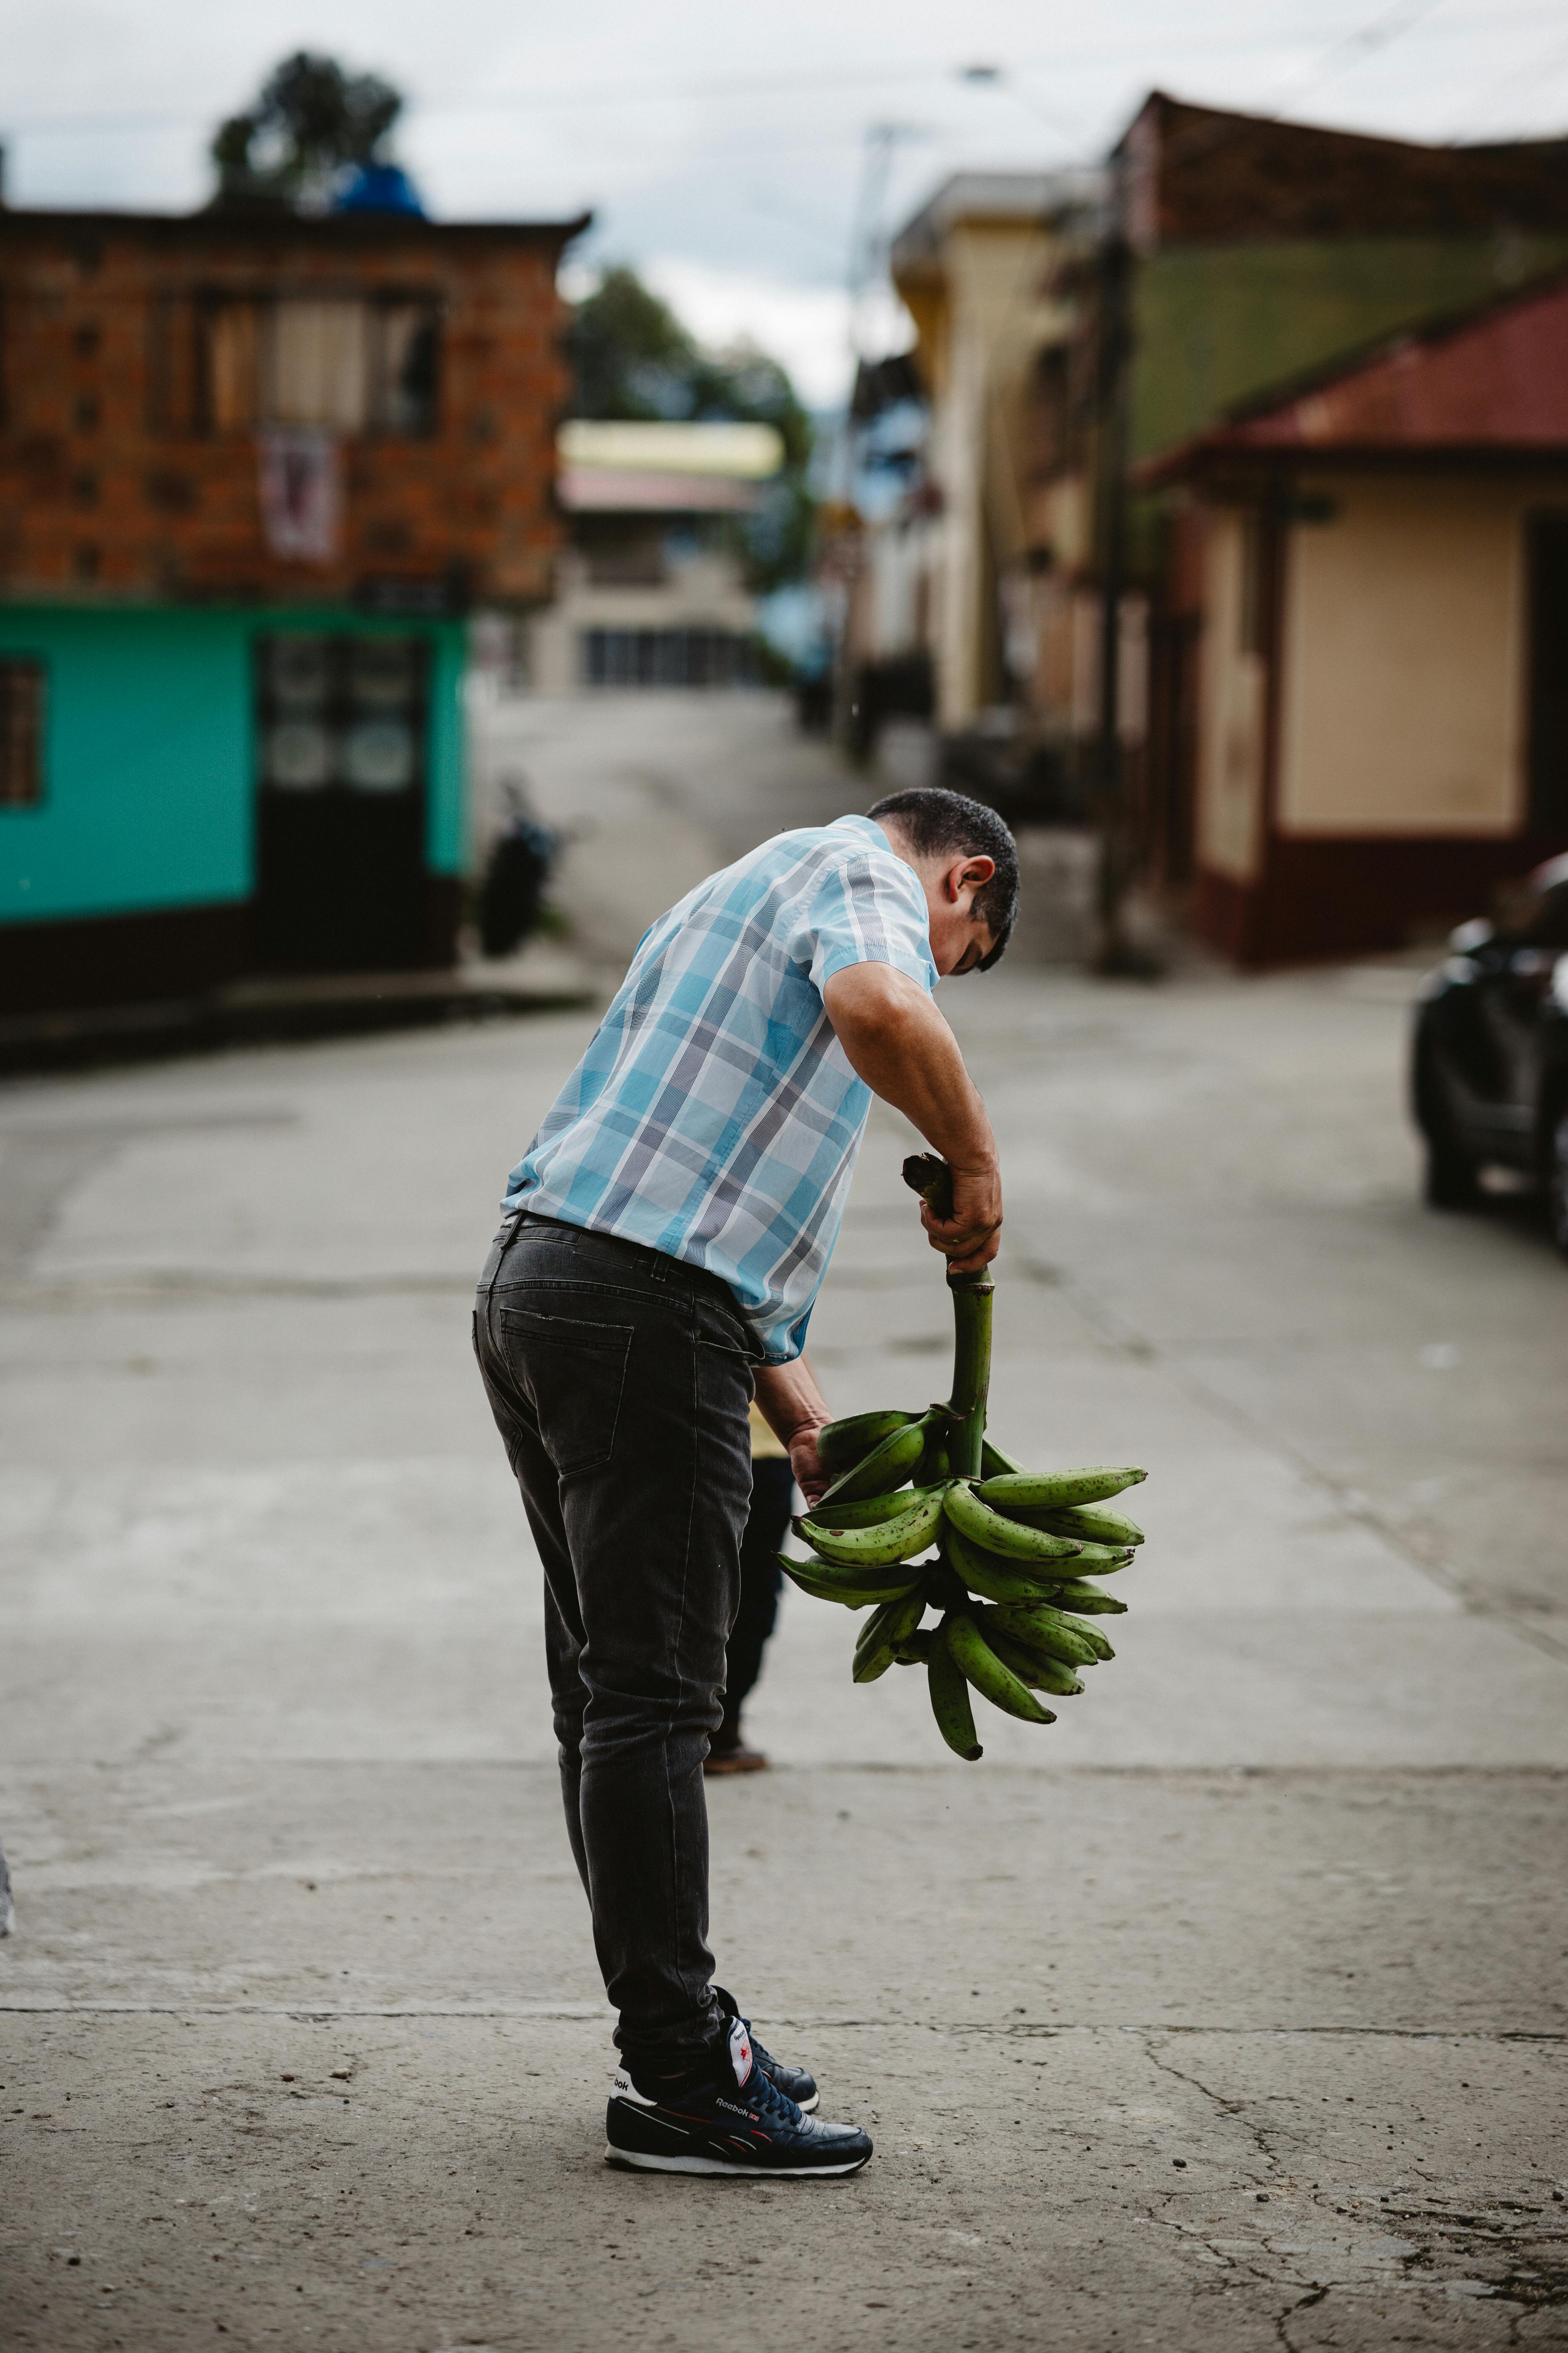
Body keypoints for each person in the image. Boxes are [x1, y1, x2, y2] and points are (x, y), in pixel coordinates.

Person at [473, 786, 1016, 2178]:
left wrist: (793, 1393)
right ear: (964, 878)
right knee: (659, 1692)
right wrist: (971, 1161)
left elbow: (680, 1161)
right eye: (966, 950)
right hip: (637, 1313)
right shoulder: (862, 874)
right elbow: (882, 1010)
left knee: (605, 1685)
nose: (940, 974)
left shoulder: (730, 888)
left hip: (548, 1280)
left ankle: (675, 2034)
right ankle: (682, 2071)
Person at [702, 1402, 796, 1775]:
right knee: (750, 1592)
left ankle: (625, 1727)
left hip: (668, 1437)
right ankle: (720, 1730)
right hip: (762, 1440)